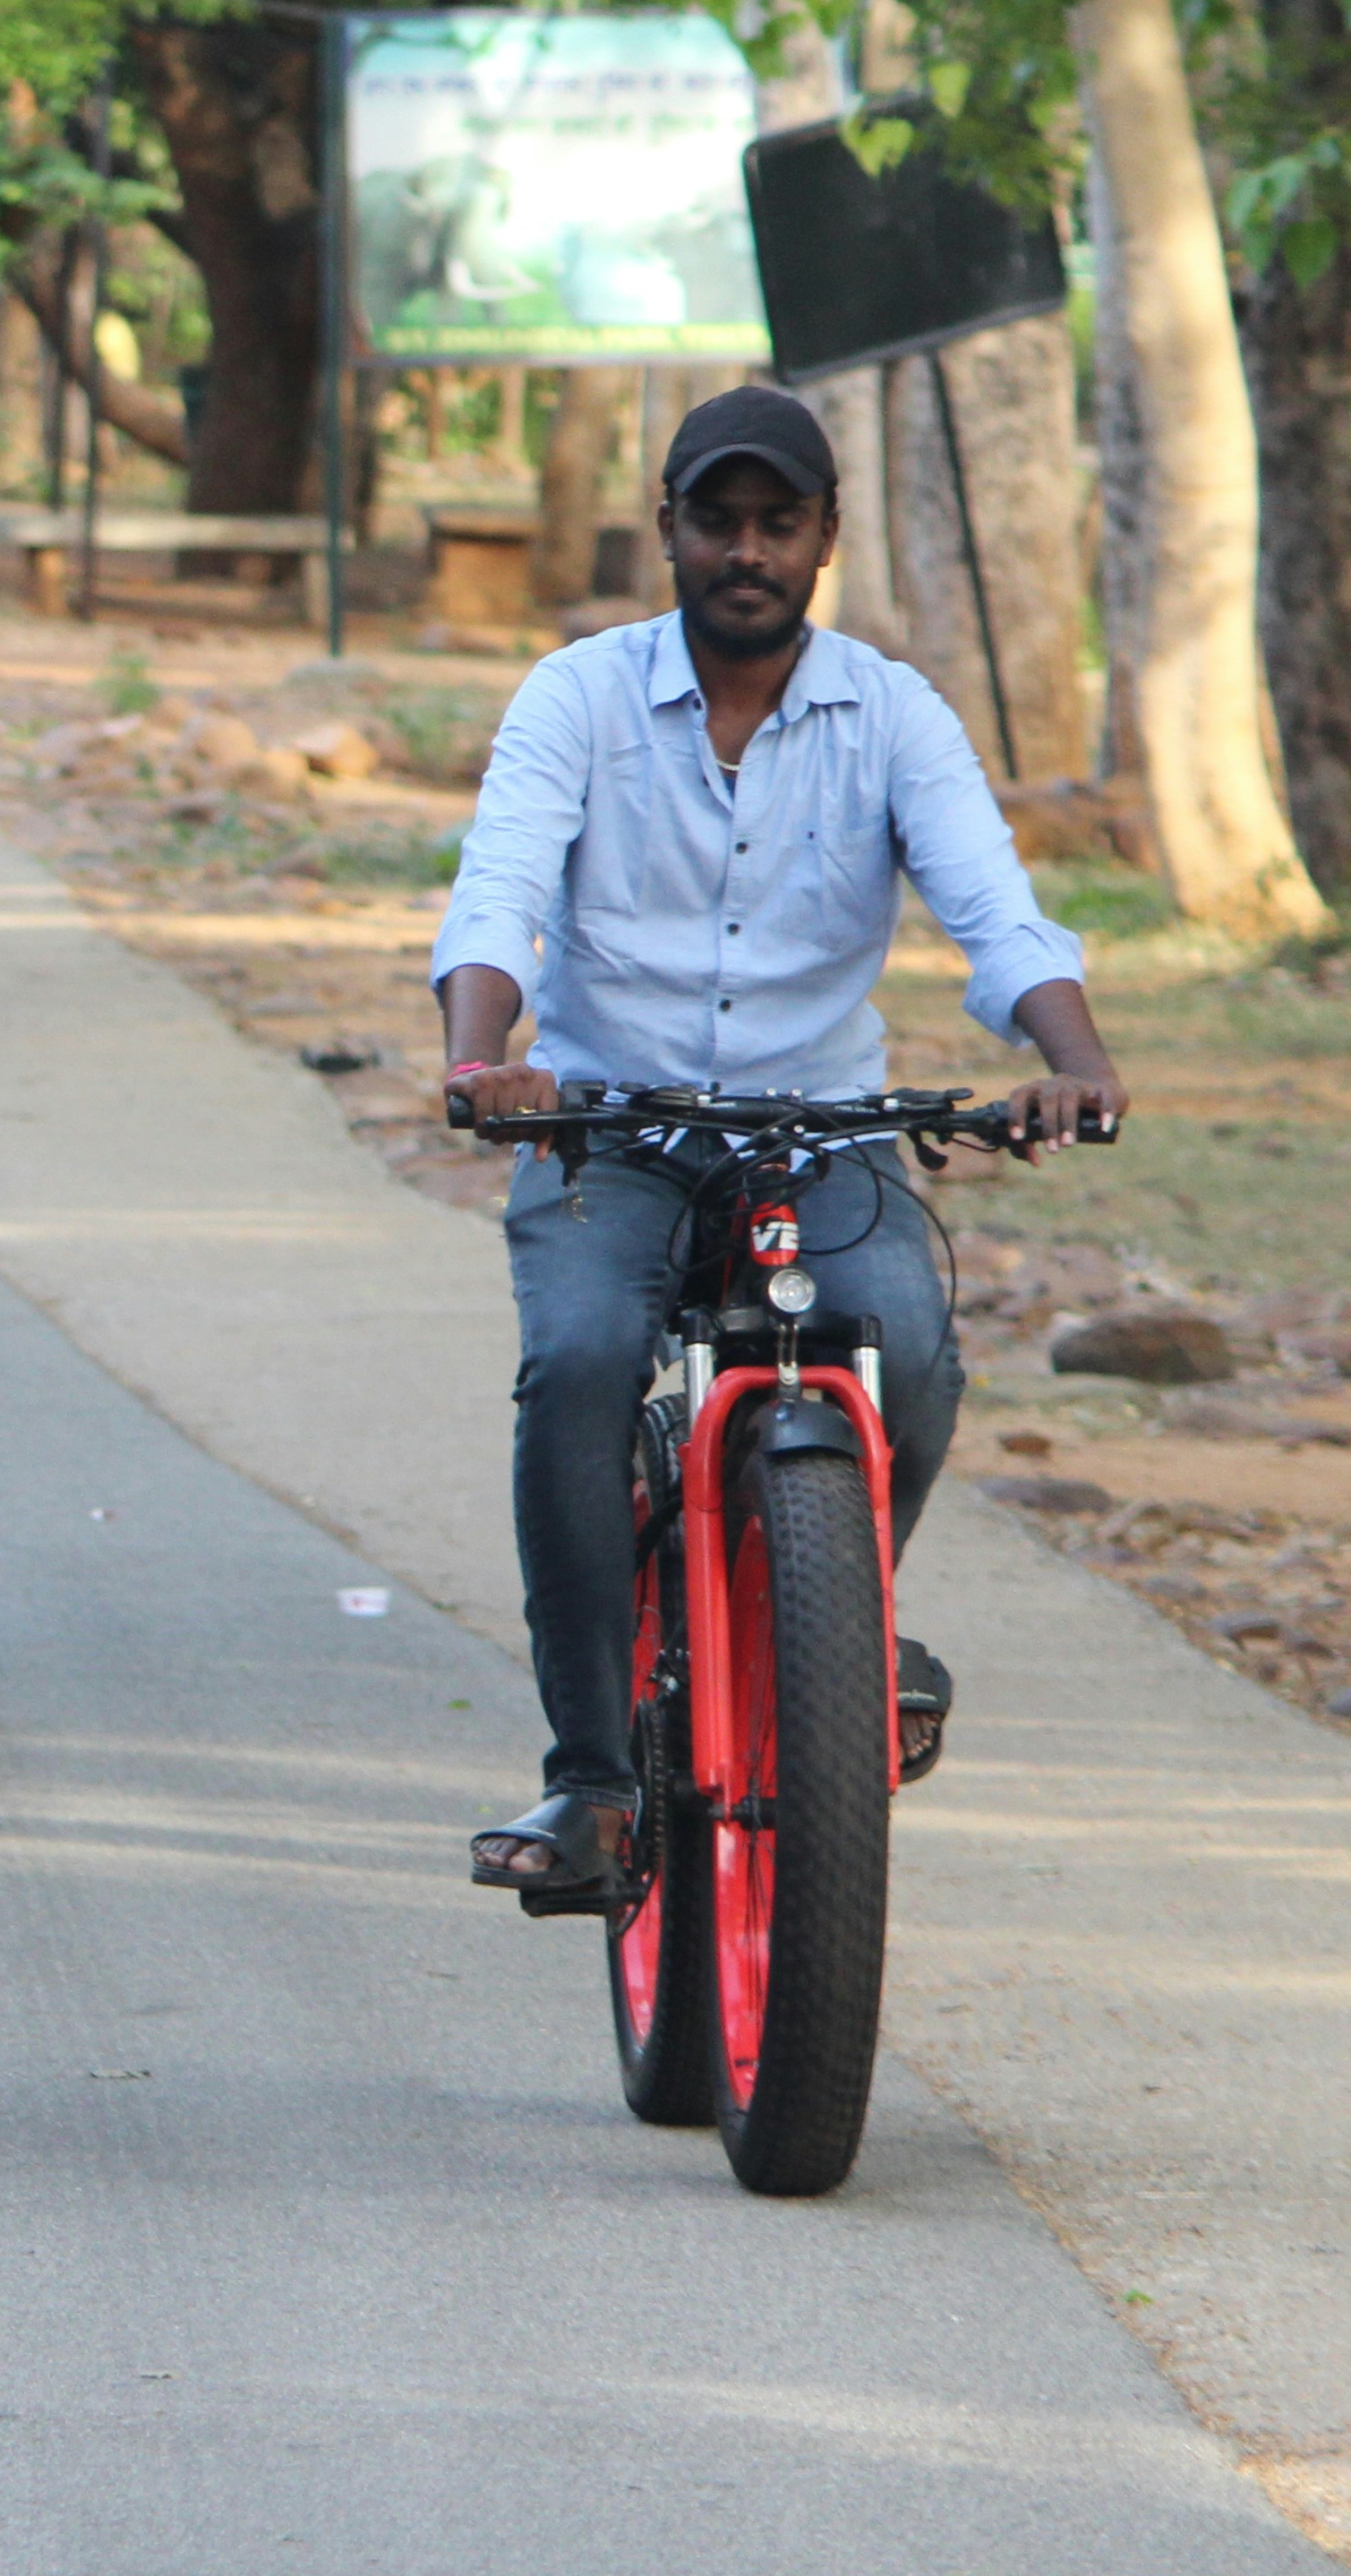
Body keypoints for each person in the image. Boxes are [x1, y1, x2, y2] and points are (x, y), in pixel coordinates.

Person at [429, 387, 1124, 1904]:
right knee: (577, 1365)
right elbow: (496, 895)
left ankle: (839, 1632)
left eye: (776, 523)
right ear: (664, 522)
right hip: (603, 1128)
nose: (743, 550)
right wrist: (483, 1059)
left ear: (822, 538)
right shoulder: (577, 696)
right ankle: (591, 1784)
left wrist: (1069, 1062)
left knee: (908, 1338)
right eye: (714, 519)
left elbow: (994, 915)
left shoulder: (893, 713)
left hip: (819, 1129)